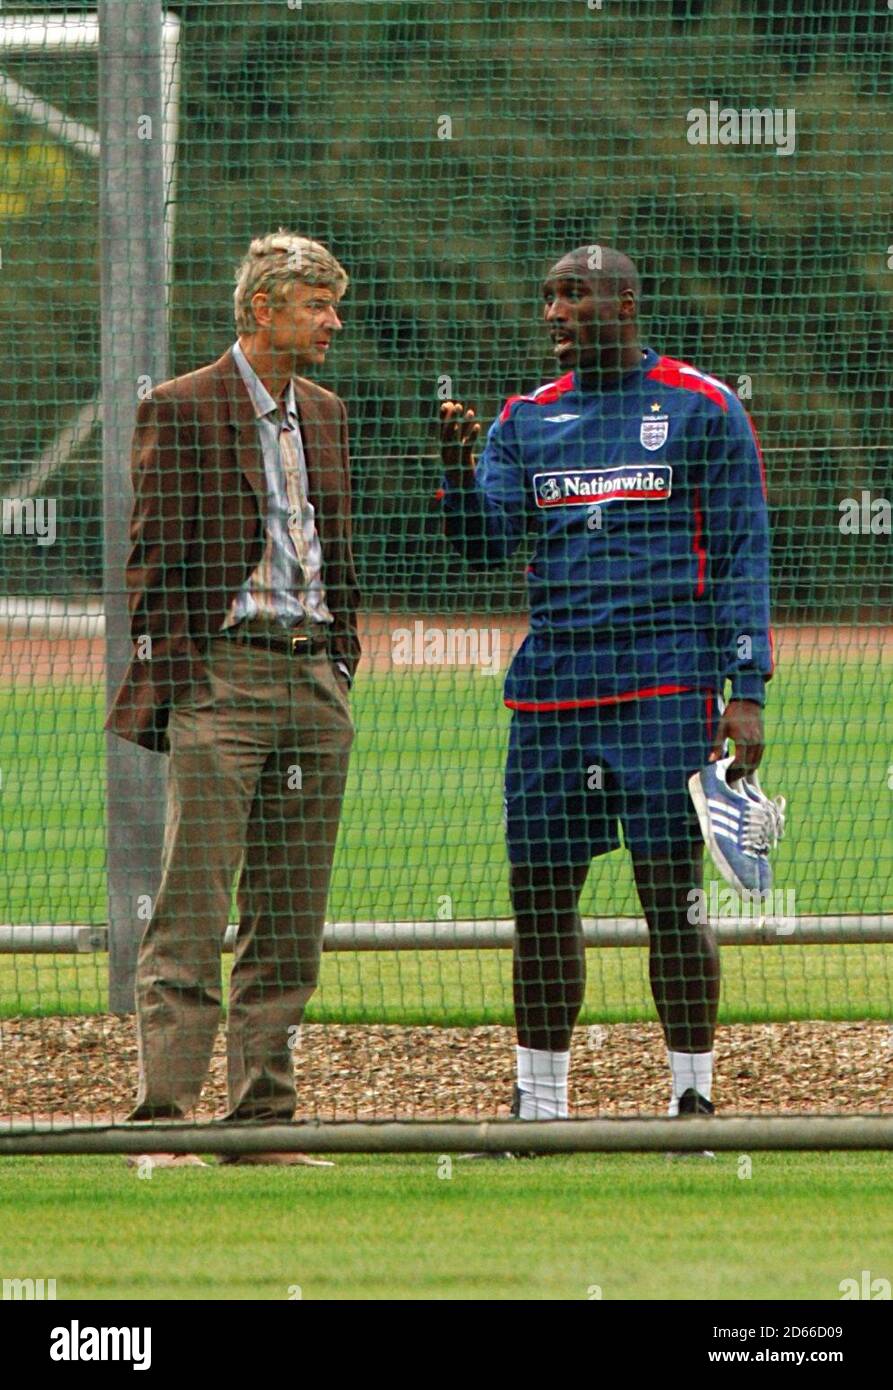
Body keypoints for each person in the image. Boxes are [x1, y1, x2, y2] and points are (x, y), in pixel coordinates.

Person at [439, 245, 771, 1128]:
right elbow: (483, 549)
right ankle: (538, 1112)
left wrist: (746, 687)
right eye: (547, 296)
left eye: (572, 296)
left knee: (673, 897)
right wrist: (453, 477)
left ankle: (691, 1101)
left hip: (666, 685)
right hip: (552, 691)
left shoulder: (702, 407)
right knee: (540, 902)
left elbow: (743, 550)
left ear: (624, 303)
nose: (553, 312)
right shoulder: (520, 420)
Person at [106, 230, 360, 1165]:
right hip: (224, 677)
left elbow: (334, 543)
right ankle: (164, 1125)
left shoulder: (325, 412)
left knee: (288, 919)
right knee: (189, 911)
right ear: (265, 310)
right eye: (318, 306)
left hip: (312, 678)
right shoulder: (179, 408)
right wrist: (183, 687)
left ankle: (263, 1124)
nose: (333, 322)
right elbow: (152, 565)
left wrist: (339, 660)